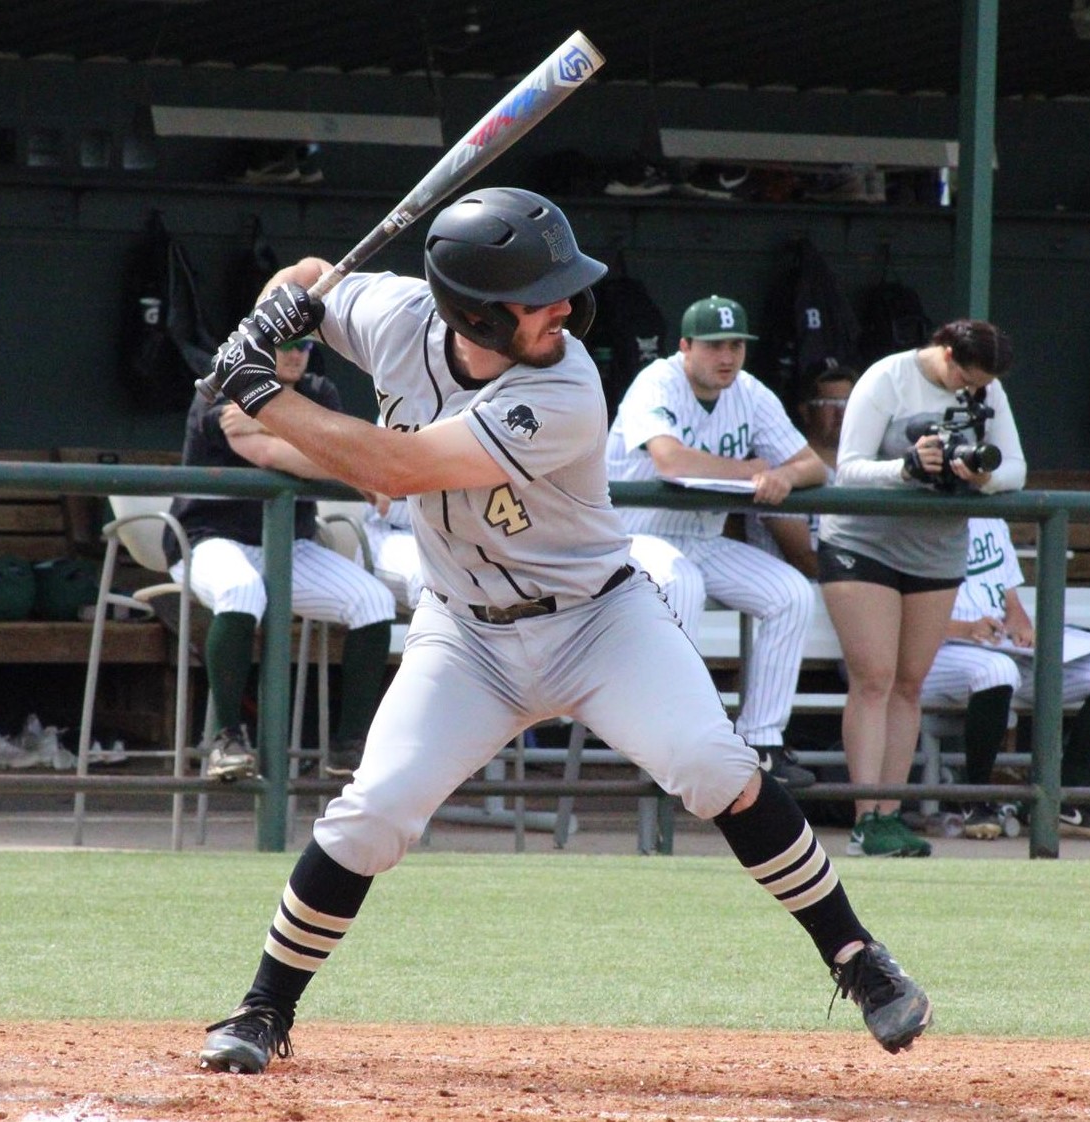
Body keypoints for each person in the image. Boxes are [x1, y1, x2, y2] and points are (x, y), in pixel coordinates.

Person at [189, 186, 930, 1075]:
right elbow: (312, 274)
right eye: (538, 298)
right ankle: (264, 1008)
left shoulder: (566, 384)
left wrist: (259, 389)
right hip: (465, 635)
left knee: (713, 766)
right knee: (373, 814)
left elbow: (399, 466)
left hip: (598, 622)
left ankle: (858, 958)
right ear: (473, 311)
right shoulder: (397, 316)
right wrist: (277, 308)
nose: (566, 310)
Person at [819, 319, 1025, 857]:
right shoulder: (888, 377)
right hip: (864, 542)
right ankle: (865, 817)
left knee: (910, 683)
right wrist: (906, 468)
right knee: (874, 678)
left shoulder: (988, 391)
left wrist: (983, 477)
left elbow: (1015, 468)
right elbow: (849, 469)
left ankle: (891, 813)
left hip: (937, 547)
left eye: (982, 385)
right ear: (947, 353)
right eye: (967, 379)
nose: (972, 390)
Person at [604, 294, 829, 786]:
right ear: (685, 347)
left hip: (701, 538)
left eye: (735, 345)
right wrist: (751, 470)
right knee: (682, 583)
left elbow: (812, 464)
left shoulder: (748, 391)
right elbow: (670, 459)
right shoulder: (657, 381)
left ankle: (761, 742)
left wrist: (784, 477)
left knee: (791, 594)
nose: (726, 357)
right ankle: (672, 739)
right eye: (713, 346)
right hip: (632, 535)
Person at [173, 333, 398, 781]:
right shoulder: (227, 384)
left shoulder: (318, 391)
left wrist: (274, 426)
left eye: (305, 346)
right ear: (261, 346)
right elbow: (267, 453)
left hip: (290, 543)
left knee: (374, 601)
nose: (296, 354)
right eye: (286, 344)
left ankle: (350, 745)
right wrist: (345, 463)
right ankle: (225, 738)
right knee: (242, 591)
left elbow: (340, 449)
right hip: (210, 539)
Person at [920, 517, 1090, 841]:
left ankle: (1060, 798)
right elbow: (905, 617)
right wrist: (965, 629)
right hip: (937, 653)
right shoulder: (916, 521)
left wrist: (1021, 628)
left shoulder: (992, 520)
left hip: (1000, 649)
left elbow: (1012, 605)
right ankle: (974, 798)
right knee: (997, 670)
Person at [750, 365, 855, 578]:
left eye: (848, 403)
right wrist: (868, 577)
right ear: (805, 410)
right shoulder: (783, 467)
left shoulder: (864, 467)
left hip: (849, 583)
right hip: (792, 587)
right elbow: (803, 559)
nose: (841, 413)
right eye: (829, 403)